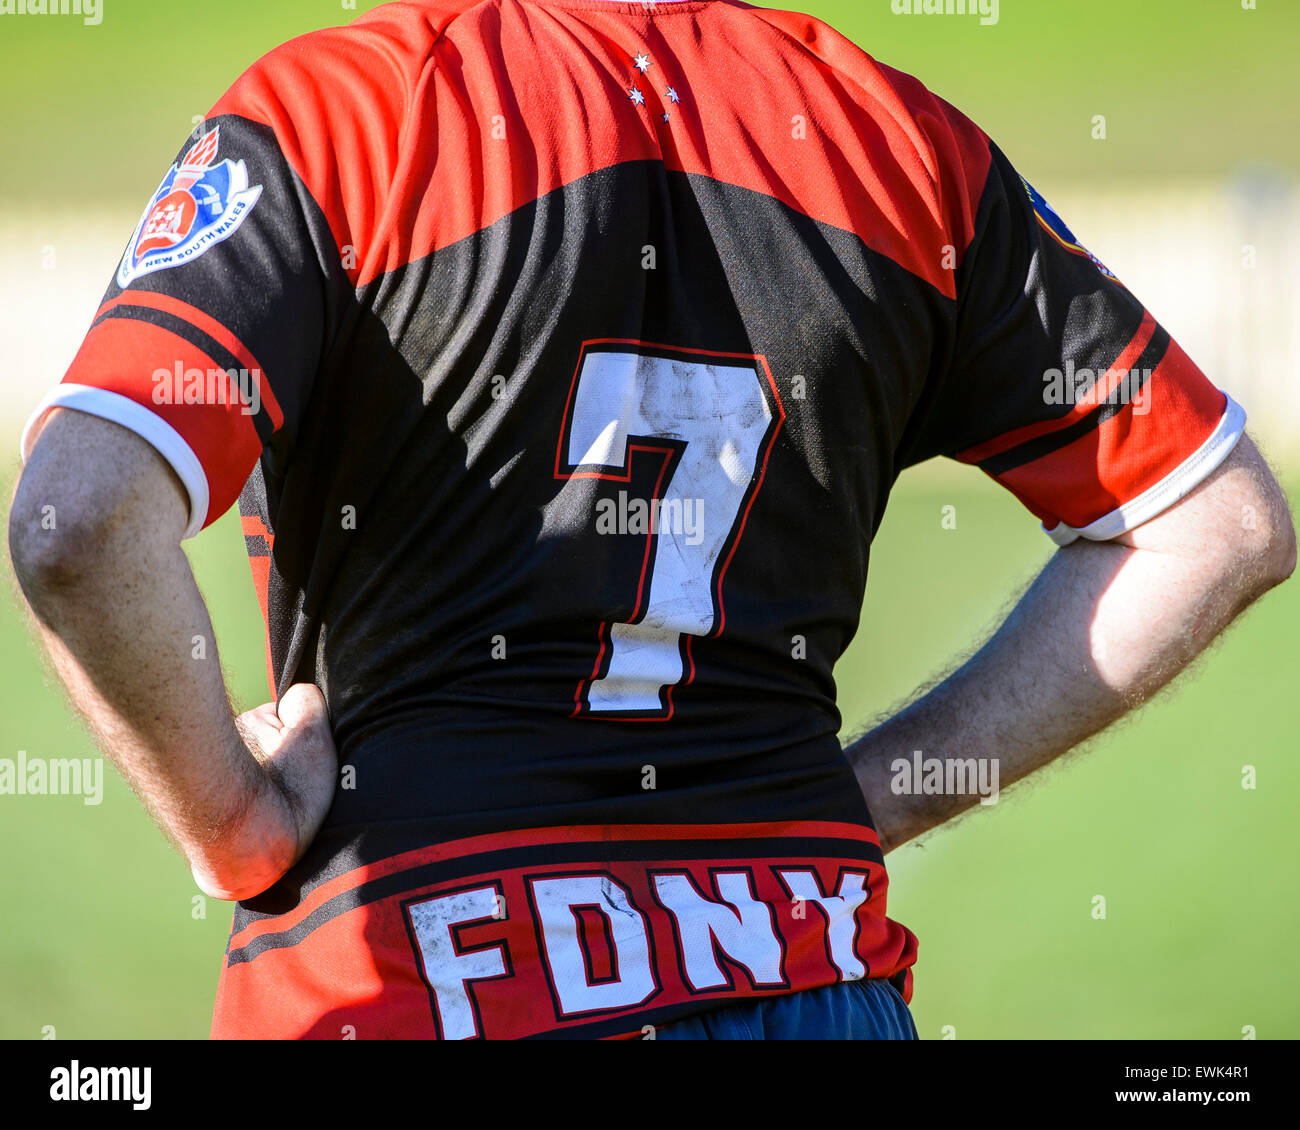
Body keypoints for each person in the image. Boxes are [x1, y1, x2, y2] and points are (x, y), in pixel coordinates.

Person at [9, 0, 1294, 1041]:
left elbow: (75, 518)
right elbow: (1216, 521)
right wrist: (865, 802)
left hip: (415, 971)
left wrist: (234, 826)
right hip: (804, 971)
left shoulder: (339, 115)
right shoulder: (903, 143)